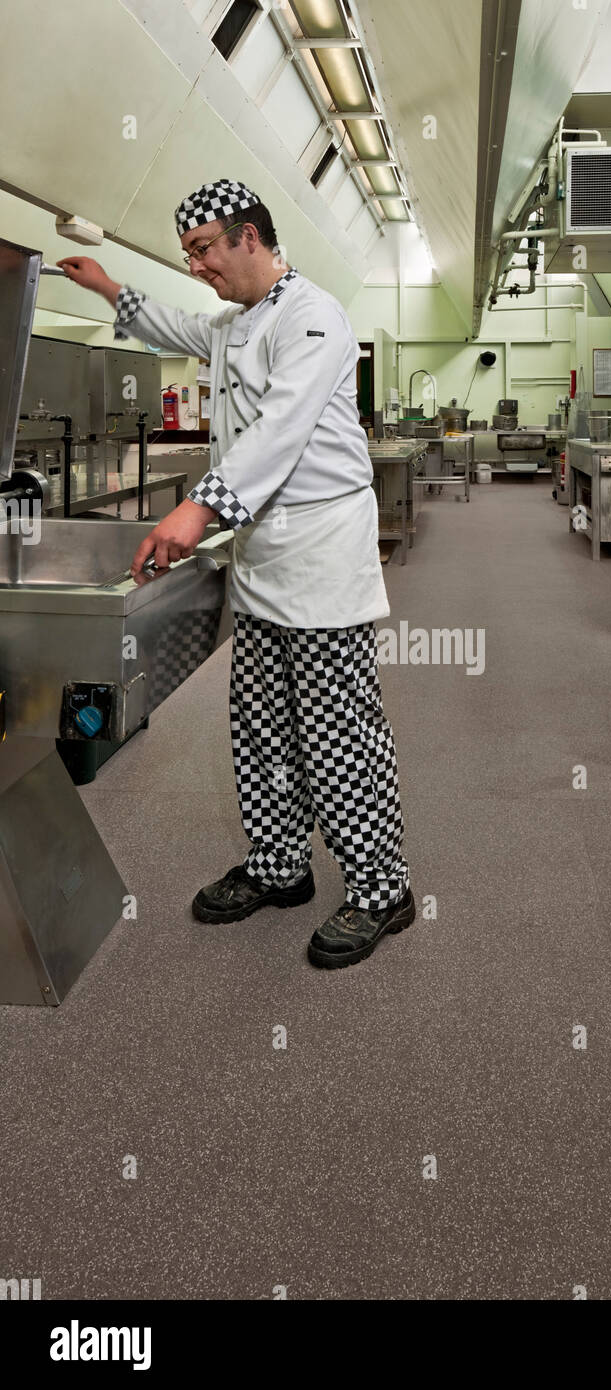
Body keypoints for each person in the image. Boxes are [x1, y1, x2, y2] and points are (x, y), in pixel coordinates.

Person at [58, 177, 414, 969]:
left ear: (248, 236)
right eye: (188, 254)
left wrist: (199, 508)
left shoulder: (313, 316)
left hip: (320, 555)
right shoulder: (232, 322)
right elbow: (173, 321)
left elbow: (281, 431)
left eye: (203, 250)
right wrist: (111, 287)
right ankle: (280, 867)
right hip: (262, 561)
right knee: (261, 726)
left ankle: (383, 888)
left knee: (337, 735)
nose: (197, 268)